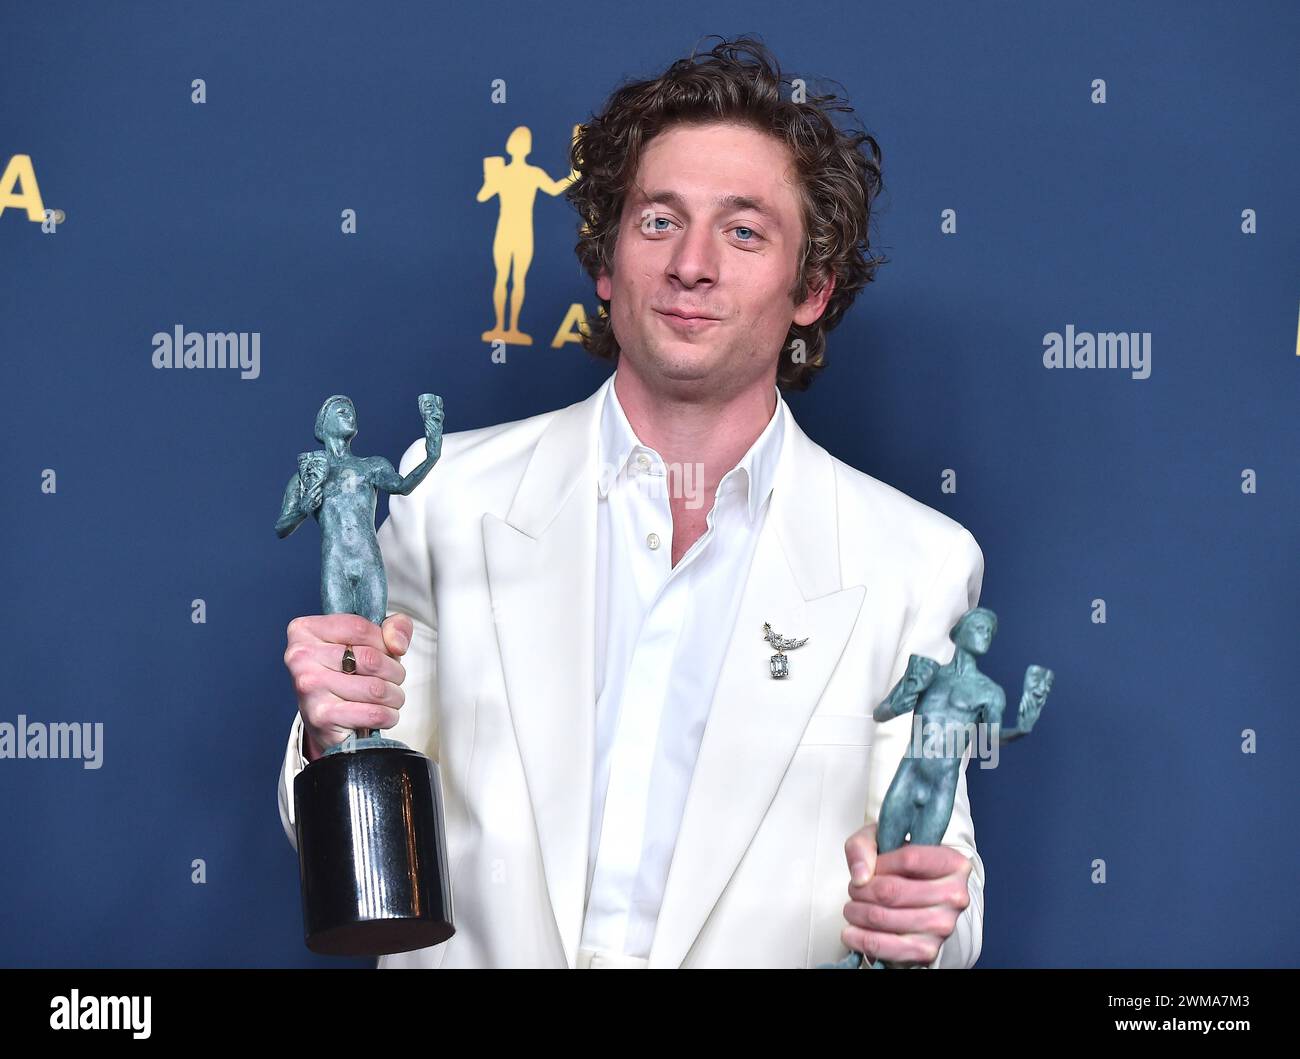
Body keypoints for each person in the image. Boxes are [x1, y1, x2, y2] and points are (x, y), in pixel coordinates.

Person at [277, 35, 986, 969]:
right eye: (658, 221)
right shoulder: (447, 496)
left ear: (811, 287)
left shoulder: (917, 562)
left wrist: (922, 916)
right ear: (606, 263)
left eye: (743, 231)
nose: (691, 264)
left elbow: (943, 890)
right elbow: (361, 814)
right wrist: (332, 726)